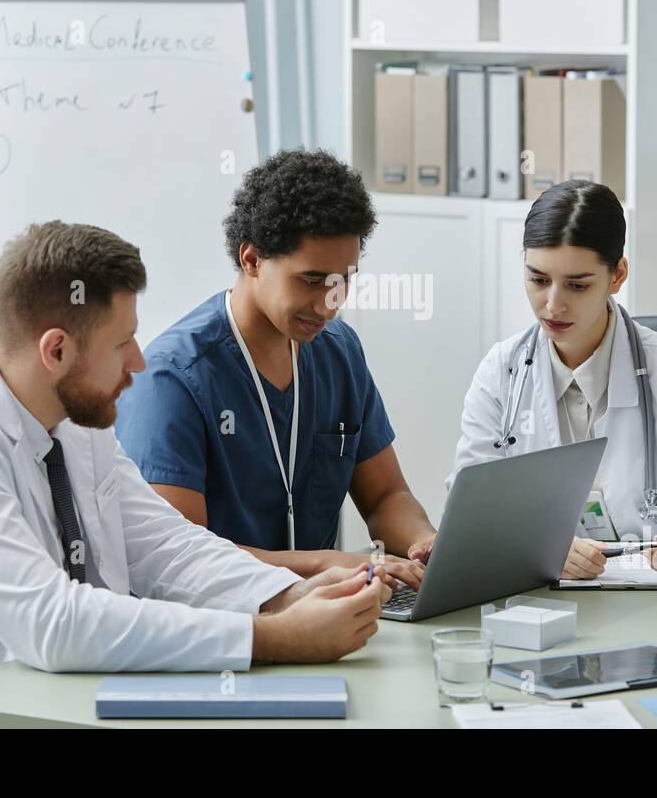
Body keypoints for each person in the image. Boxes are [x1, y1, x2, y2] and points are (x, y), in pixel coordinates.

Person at [0, 221, 390, 728]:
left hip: (31, 702)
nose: (138, 362)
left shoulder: (75, 422)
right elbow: (51, 621)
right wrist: (275, 639)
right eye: (123, 343)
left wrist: (284, 595)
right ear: (55, 351)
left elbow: (165, 546)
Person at [116, 149, 436, 585]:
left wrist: (424, 541)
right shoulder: (172, 377)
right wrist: (331, 565)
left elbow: (385, 496)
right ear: (251, 260)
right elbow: (179, 559)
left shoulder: (338, 351)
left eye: (343, 281)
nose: (330, 303)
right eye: (310, 280)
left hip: (327, 611)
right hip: (226, 629)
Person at [448, 180, 657, 584]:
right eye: (538, 280)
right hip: (546, 607)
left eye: (577, 285)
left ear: (617, 275)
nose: (553, 304)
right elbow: (468, 515)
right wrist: (539, 547)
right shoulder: (502, 373)